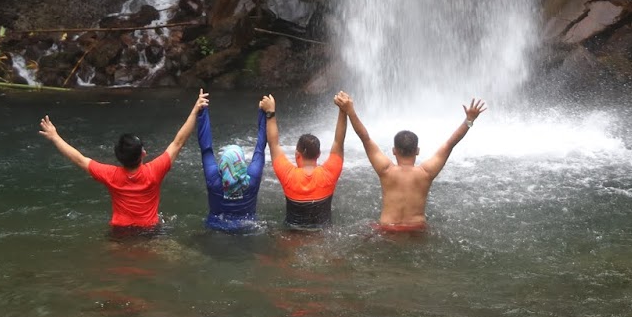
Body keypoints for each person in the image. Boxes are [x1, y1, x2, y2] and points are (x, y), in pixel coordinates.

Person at [38, 89, 207, 232]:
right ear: (142, 154)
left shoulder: (111, 175)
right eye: (143, 149)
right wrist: (195, 109)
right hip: (148, 232)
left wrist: (55, 137)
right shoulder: (154, 171)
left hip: (119, 233)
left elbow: (80, 159)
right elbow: (178, 142)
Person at [334, 91, 486, 232]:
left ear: (394, 151)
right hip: (417, 229)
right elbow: (450, 143)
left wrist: (350, 111)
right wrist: (469, 120)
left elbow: (364, 138)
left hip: (388, 228)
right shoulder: (426, 173)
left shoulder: (386, 170)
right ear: (417, 150)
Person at [264, 93, 347, 228]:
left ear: (297, 153)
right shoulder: (329, 174)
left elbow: (274, 144)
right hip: (323, 237)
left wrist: (270, 112)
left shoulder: (288, 175)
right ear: (319, 154)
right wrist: (343, 111)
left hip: (293, 238)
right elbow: (339, 141)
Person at [196, 95, 270, 231]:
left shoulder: (214, 180)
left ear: (223, 165)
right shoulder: (252, 179)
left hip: (216, 229)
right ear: (241, 163)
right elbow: (260, 147)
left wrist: (202, 112)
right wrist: (265, 113)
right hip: (248, 229)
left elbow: (206, 149)